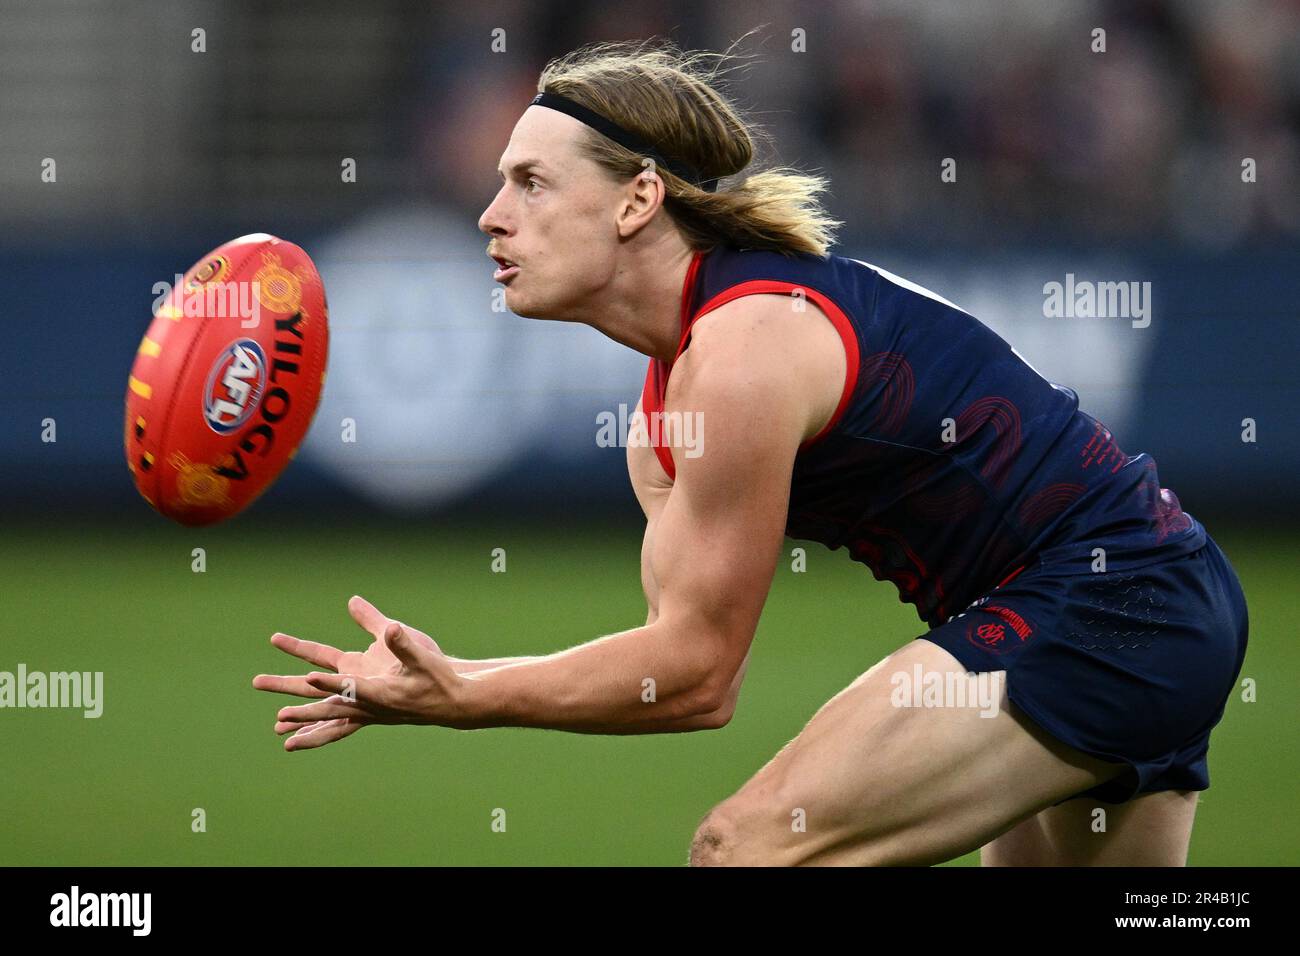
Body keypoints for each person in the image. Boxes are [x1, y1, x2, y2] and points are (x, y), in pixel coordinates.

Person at [252, 40, 1249, 866]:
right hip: (1124, 606)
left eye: (529, 183)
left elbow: (696, 675)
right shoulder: (667, 415)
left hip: (1112, 604)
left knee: (749, 847)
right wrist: (458, 683)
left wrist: (463, 691)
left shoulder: (744, 345)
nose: (491, 214)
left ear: (638, 199)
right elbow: (669, 664)